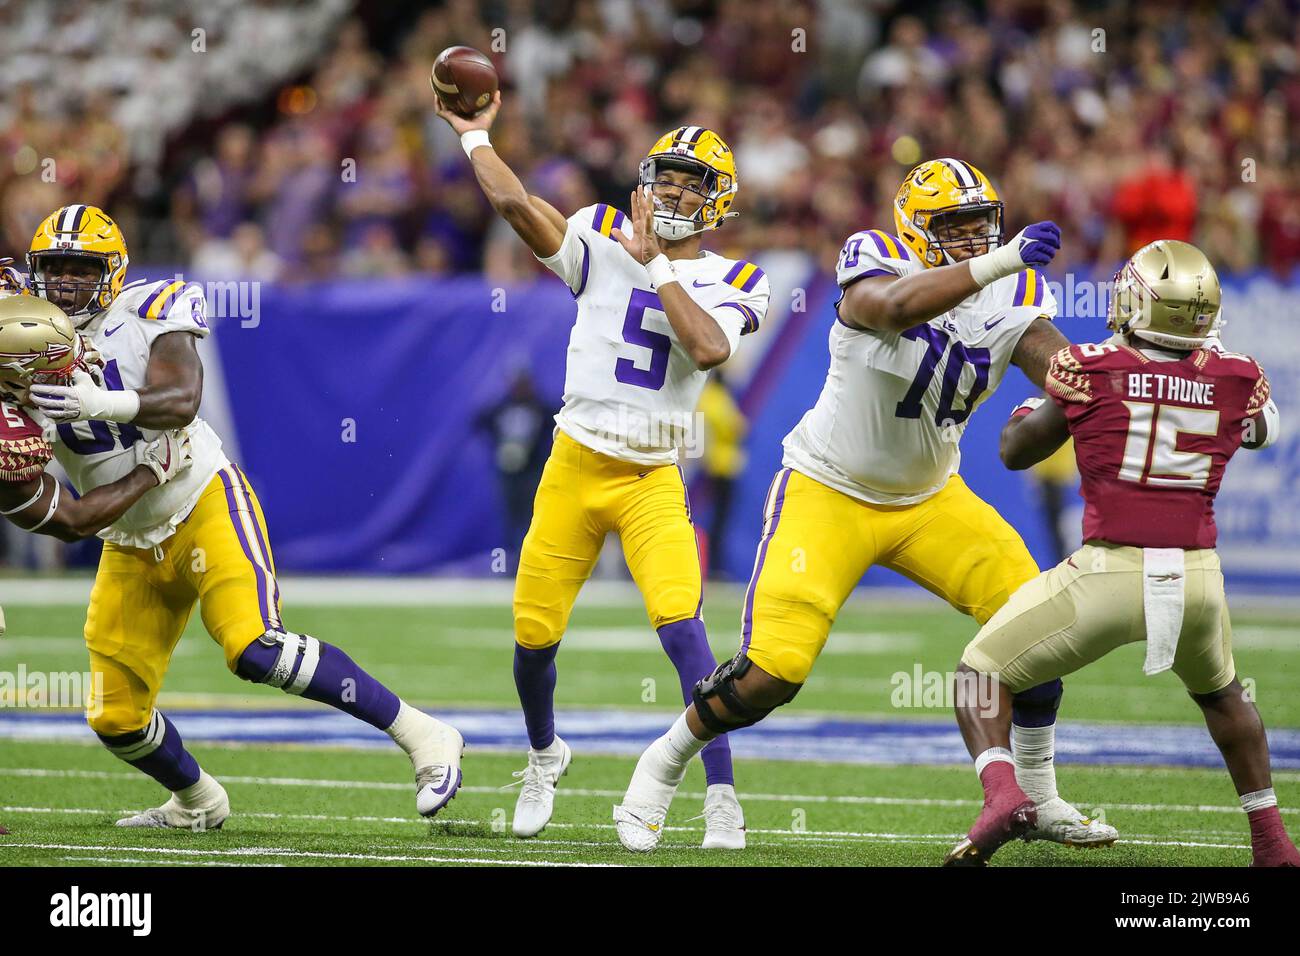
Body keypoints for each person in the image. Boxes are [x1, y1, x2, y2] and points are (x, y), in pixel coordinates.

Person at [615, 158, 1114, 851]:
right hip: (829, 488)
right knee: (771, 676)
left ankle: (1039, 795)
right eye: (956, 228)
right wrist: (998, 260)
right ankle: (665, 757)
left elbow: (1055, 363)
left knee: (1034, 631)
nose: (974, 240)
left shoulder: (1013, 290)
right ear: (916, 229)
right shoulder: (874, 256)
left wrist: (1112, 368)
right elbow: (893, 307)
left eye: (982, 227)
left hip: (930, 497)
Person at [21, 204, 464, 830]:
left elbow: (181, 400)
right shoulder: (25, 359)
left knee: (255, 647)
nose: (65, 283)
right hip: (128, 534)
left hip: (201, 497)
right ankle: (198, 801)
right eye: (54, 269)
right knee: (114, 717)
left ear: (113, 270)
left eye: (80, 267)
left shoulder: (152, 307)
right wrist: (143, 468)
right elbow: (70, 520)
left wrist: (103, 402)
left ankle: (425, 735)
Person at [436, 91, 768, 847]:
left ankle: (721, 794)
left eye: (693, 184)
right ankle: (543, 752)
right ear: (647, 179)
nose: (676, 193)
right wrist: (475, 138)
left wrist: (658, 271)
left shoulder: (739, 278)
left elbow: (710, 350)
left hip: (652, 476)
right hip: (573, 464)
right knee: (531, 641)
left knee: (685, 633)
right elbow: (520, 208)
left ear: (718, 203)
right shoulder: (601, 231)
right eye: (669, 178)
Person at [946, 239, 1296, 866]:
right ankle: (1272, 843)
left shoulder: (1093, 367)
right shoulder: (1237, 374)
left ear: (1138, 301)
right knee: (1224, 696)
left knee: (979, 673)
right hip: (1198, 581)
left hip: (1110, 573)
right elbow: (1265, 430)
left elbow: (1015, 450)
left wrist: (1041, 403)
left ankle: (1004, 795)